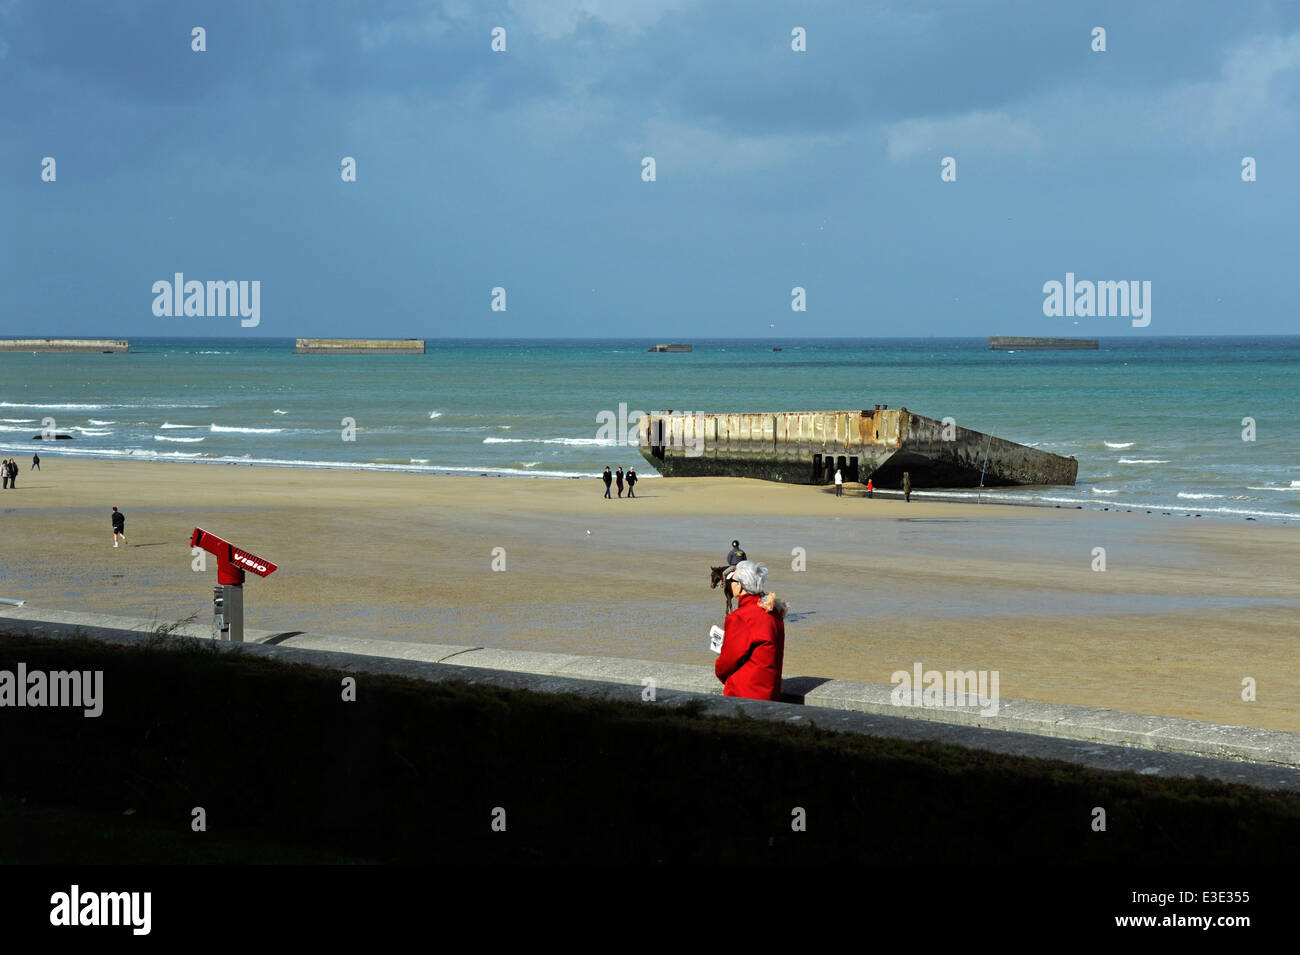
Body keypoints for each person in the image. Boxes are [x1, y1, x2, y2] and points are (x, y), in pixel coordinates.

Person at [714, 561, 787, 701]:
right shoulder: (773, 611)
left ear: (739, 585)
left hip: (744, 694)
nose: (729, 583)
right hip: (770, 692)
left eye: (731, 579)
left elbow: (726, 663)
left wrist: (719, 671)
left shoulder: (740, 617)